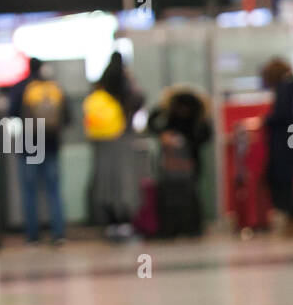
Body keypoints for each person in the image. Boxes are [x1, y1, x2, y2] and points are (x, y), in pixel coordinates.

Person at [85, 52, 144, 241]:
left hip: (101, 141)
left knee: (105, 182)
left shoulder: (101, 85)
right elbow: (139, 100)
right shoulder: (125, 83)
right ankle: (124, 222)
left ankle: (109, 222)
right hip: (121, 139)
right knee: (123, 182)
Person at [10, 58, 68, 246]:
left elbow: (11, 113)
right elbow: (67, 117)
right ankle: (58, 234)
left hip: (29, 147)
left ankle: (32, 237)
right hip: (51, 146)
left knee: (29, 192)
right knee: (54, 192)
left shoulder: (21, 87)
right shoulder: (54, 88)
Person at [146, 84, 212, 238]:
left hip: (190, 161)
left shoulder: (197, 115)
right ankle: (172, 228)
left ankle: (191, 227)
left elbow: (206, 134)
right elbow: (152, 123)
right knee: (169, 194)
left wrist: (188, 141)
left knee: (190, 194)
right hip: (170, 161)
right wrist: (164, 135)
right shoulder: (169, 113)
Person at [261, 57, 293, 234]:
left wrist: (266, 121)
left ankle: (290, 214)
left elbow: (282, 114)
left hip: (286, 133)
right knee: (289, 169)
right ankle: (291, 215)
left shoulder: (285, 88)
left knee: (281, 172)